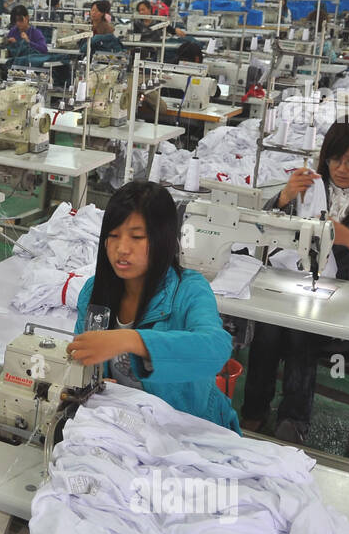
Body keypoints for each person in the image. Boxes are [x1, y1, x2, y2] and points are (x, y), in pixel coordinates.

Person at [243, 120, 349, 441]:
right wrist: (283, 198)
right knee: (268, 325)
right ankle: (254, 411)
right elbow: (261, 230)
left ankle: (293, 421)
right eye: (334, 159)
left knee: (300, 330)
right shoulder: (307, 188)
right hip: (298, 288)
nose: (341, 168)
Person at [66, 181, 239, 432]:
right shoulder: (94, 291)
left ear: (162, 239)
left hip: (187, 429)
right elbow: (83, 363)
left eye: (137, 237)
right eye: (113, 235)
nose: (122, 249)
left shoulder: (189, 290)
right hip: (124, 425)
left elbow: (216, 350)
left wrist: (130, 340)